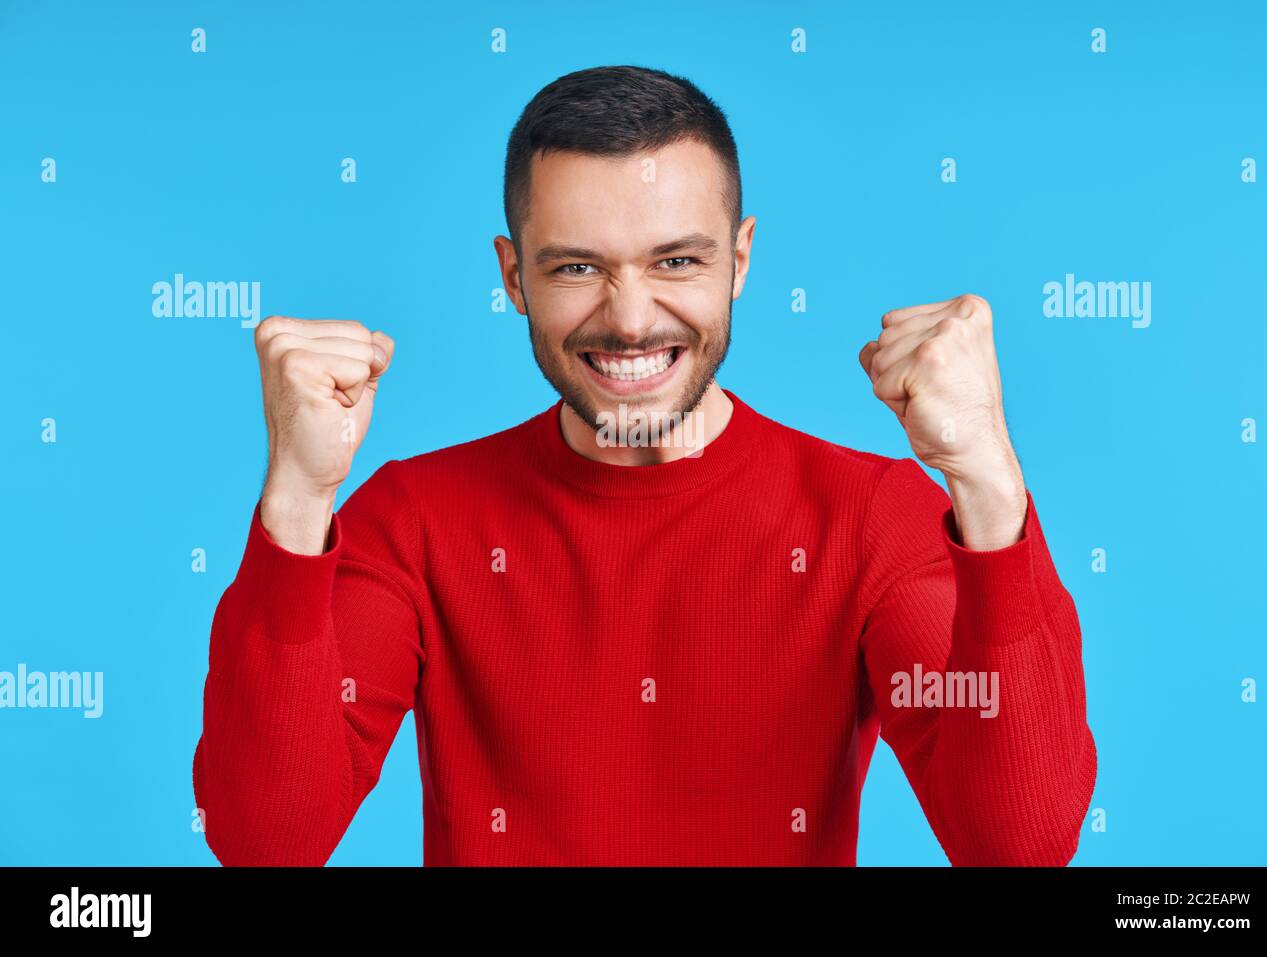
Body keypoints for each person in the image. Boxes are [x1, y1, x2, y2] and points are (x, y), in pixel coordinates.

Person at [192, 64, 1097, 866]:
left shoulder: (868, 517)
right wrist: (300, 496)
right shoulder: (414, 519)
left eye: (676, 259)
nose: (629, 319)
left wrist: (984, 475)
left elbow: (1017, 844)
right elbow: (266, 840)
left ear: (739, 259)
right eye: (578, 267)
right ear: (512, 277)